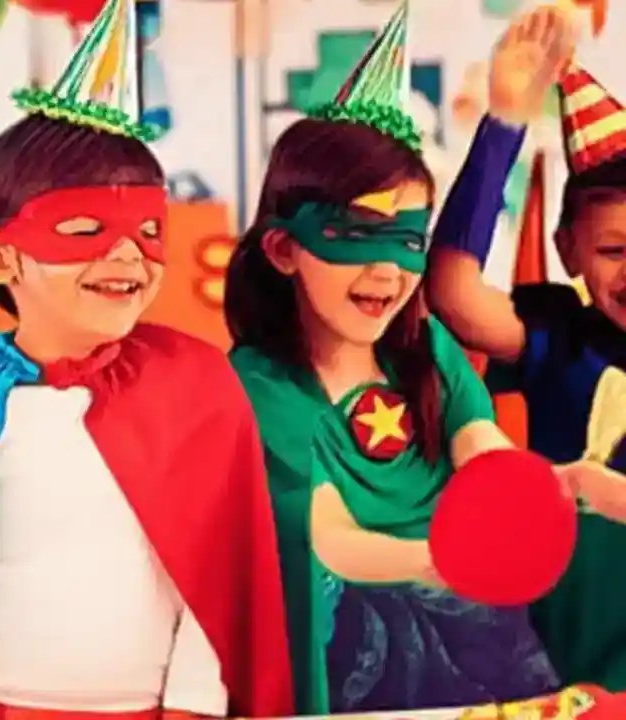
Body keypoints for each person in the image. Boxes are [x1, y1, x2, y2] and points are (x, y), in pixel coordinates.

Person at [0, 1, 293, 718]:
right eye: (82, 230)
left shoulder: (197, 383)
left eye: (147, 231)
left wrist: (192, 703)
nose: (127, 254)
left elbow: (225, 569)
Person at [225, 3, 616, 713]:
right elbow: (328, 537)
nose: (386, 272)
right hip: (355, 656)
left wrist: (556, 488)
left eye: (406, 241)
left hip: (491, 643)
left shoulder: (424, 349)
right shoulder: (260, 383)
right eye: (353, 236)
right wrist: (452, 559)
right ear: (284, 249)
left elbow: (486, 453)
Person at [426, 3, 626, 693]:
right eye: (613, 251)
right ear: (567, 248)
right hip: (553, 658)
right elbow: (453, 294)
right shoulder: (562, 336)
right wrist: (505, 121)